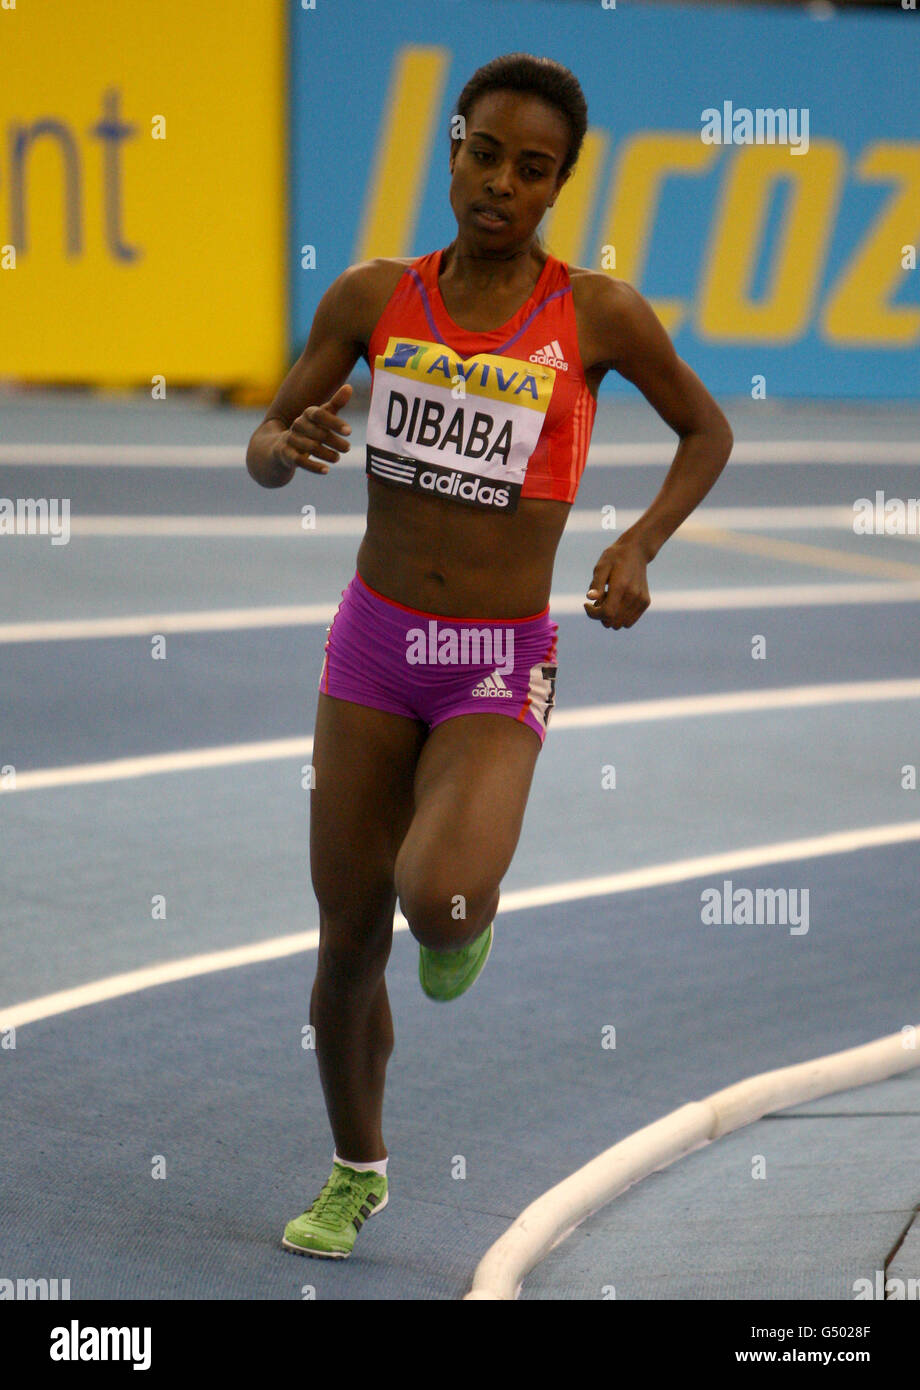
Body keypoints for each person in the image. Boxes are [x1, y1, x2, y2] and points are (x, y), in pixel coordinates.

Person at [246, 53, 733, 1260]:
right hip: (370, 643)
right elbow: (262, 441)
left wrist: (637, 542)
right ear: (450, 150)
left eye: (532, 170)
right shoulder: (369, 298)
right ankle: (356, 1169)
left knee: (435, 896)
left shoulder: (596, 315)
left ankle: (465, 918)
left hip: (492, 659)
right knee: (347, 938)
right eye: (484, 155)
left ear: (559, 187)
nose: (500, 184)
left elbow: (704, 429)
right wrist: (286, 438)